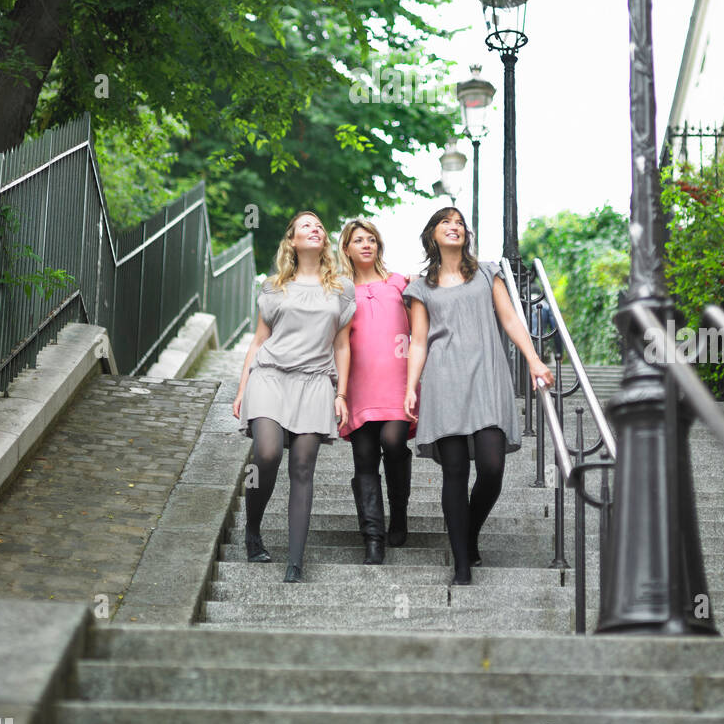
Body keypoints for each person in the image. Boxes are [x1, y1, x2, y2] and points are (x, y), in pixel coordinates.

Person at [403, 206, 554, 586]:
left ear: (467, 235)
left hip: (487, 376)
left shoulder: (488, 272)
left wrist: (534, 361)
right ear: (432, 234)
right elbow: (418, 342)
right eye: (445, 223)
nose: (454, 227)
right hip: (443, 380)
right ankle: (461, 564)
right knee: (454, 472)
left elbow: (510, 319)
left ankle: (469, 534)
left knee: (491, 467)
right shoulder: (421, 287)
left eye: (460, 223)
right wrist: (410, 386)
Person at [232, 210, 355, 583]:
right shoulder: (273, 286)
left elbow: (342, 346)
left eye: (320, 225)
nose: (315, 228)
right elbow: (259, 341)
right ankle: (253, 530)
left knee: (302, 468)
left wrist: (342, 393)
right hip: (269, 377)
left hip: (316, 381)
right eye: (306, 225)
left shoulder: (341, 289)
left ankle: (295, 562)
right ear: (293, 240)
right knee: (266, 453)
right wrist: (242, 389)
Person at [337, 219, 415, 564]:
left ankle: (399, 512)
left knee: (395, 441)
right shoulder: (339, 290)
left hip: (397, 382)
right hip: (358, 385)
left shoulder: (399, 283)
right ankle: (373, 538)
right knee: (365, 457)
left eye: (371, 239)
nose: (366, 245)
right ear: (347, 249)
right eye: (358, 240)